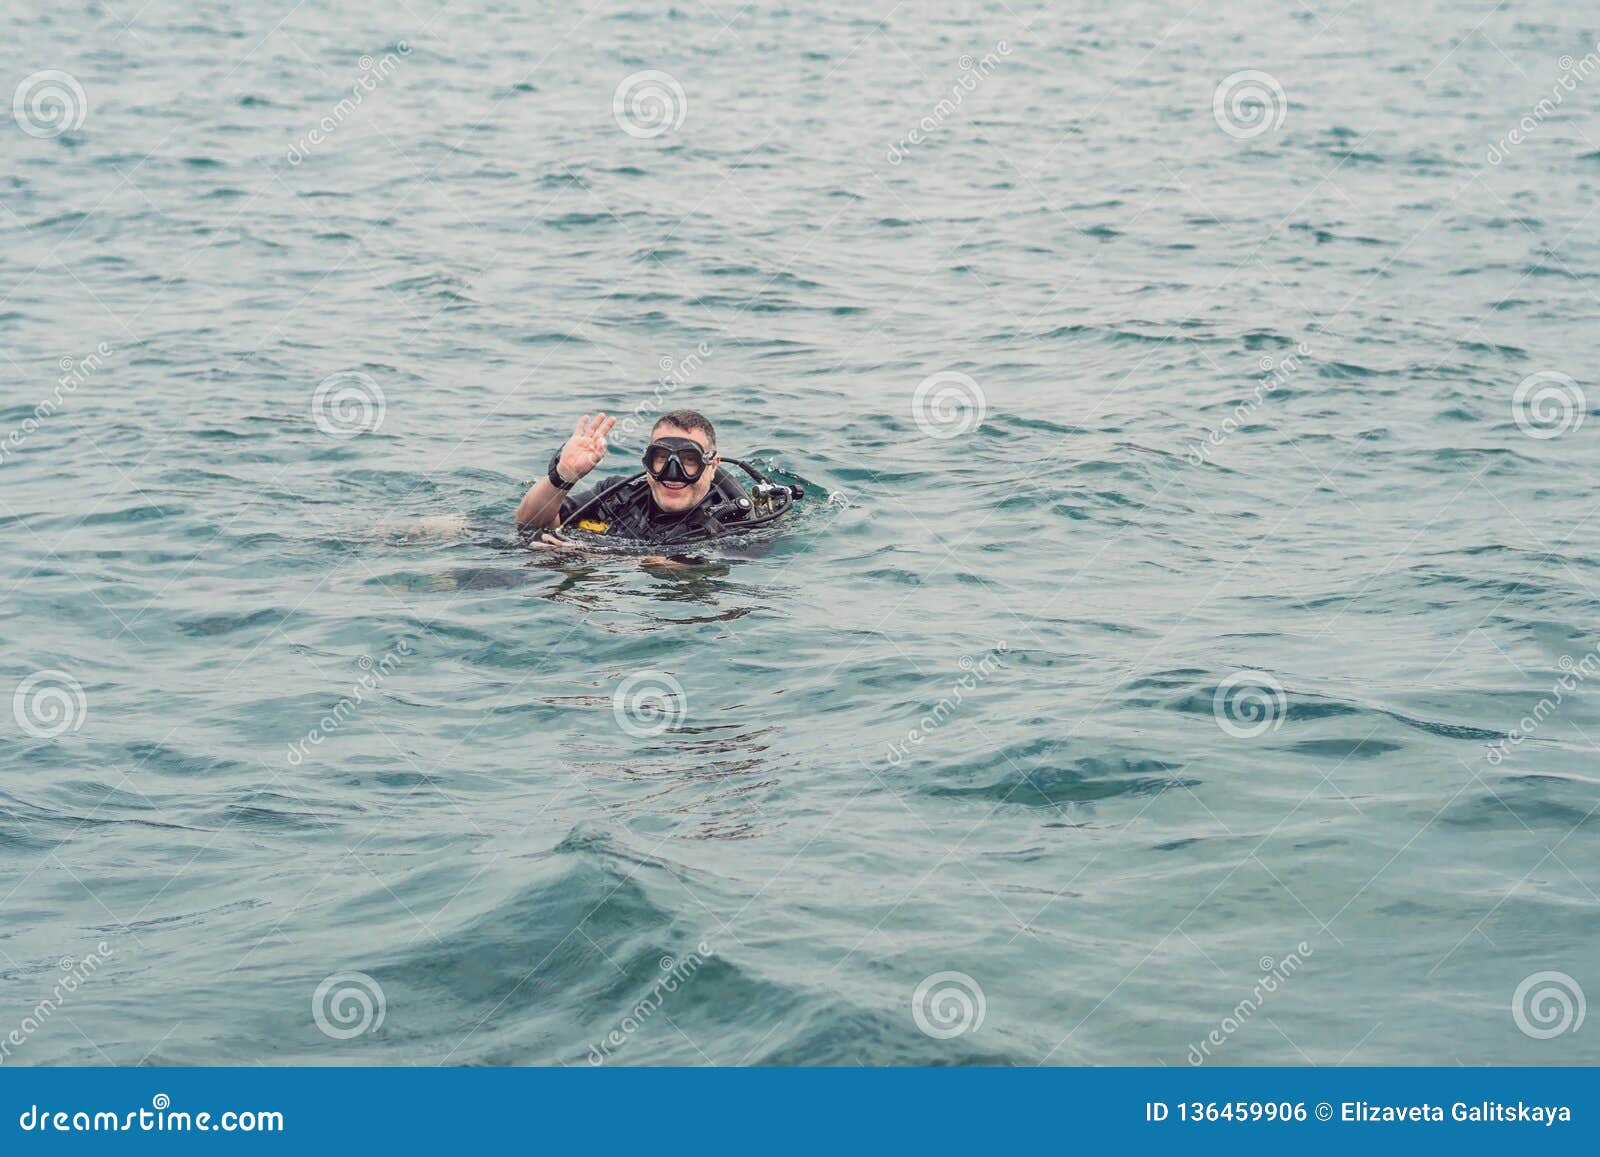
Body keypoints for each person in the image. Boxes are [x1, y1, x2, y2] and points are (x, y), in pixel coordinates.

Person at [516, 409, 799, 546]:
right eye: (662, 458)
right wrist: (563, 476)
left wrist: (592, 559)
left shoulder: (735, 520)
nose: (672, 474)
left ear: (712, 465)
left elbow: (692, 571)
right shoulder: (619, 495)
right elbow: (529, 524)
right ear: (647, 461)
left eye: (688, 460)